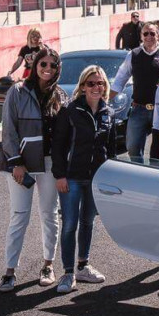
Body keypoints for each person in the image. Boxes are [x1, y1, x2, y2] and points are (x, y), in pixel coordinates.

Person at [0, 47, 65, 292]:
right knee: (19, 216)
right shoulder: (17, 91)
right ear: (35, 65)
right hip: (21, 165)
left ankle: (48, 264)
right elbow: (8, 130)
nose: (47, 69)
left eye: (52, 65)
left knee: (49, 214)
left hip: (47, 164)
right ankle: (9, 271)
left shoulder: (60, 95)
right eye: (43, 64)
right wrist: (16, 162)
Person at [51, 64, 116, 294]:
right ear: (82, 86)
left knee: (88, 222)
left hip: (95, 180)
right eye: (91, 83)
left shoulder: (109, 113)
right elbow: (57, 147)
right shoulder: (70, 111)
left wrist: (110, 178)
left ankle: (83, 266)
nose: (96, 87)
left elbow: (111, 150)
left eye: (100, 83)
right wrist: (59, 175)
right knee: (70, 224)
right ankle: (68, 273)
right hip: (72, 178)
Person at [111, 22, 159, 161]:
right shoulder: (133, 55)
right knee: (132, 147)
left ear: (158, 35)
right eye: (146, 33)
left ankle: (158, 176)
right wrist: (105, 100)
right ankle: (139, 175)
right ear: (141, 36)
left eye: (152, 33)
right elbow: (120, 80)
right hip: (139, 109)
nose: (149, 36)